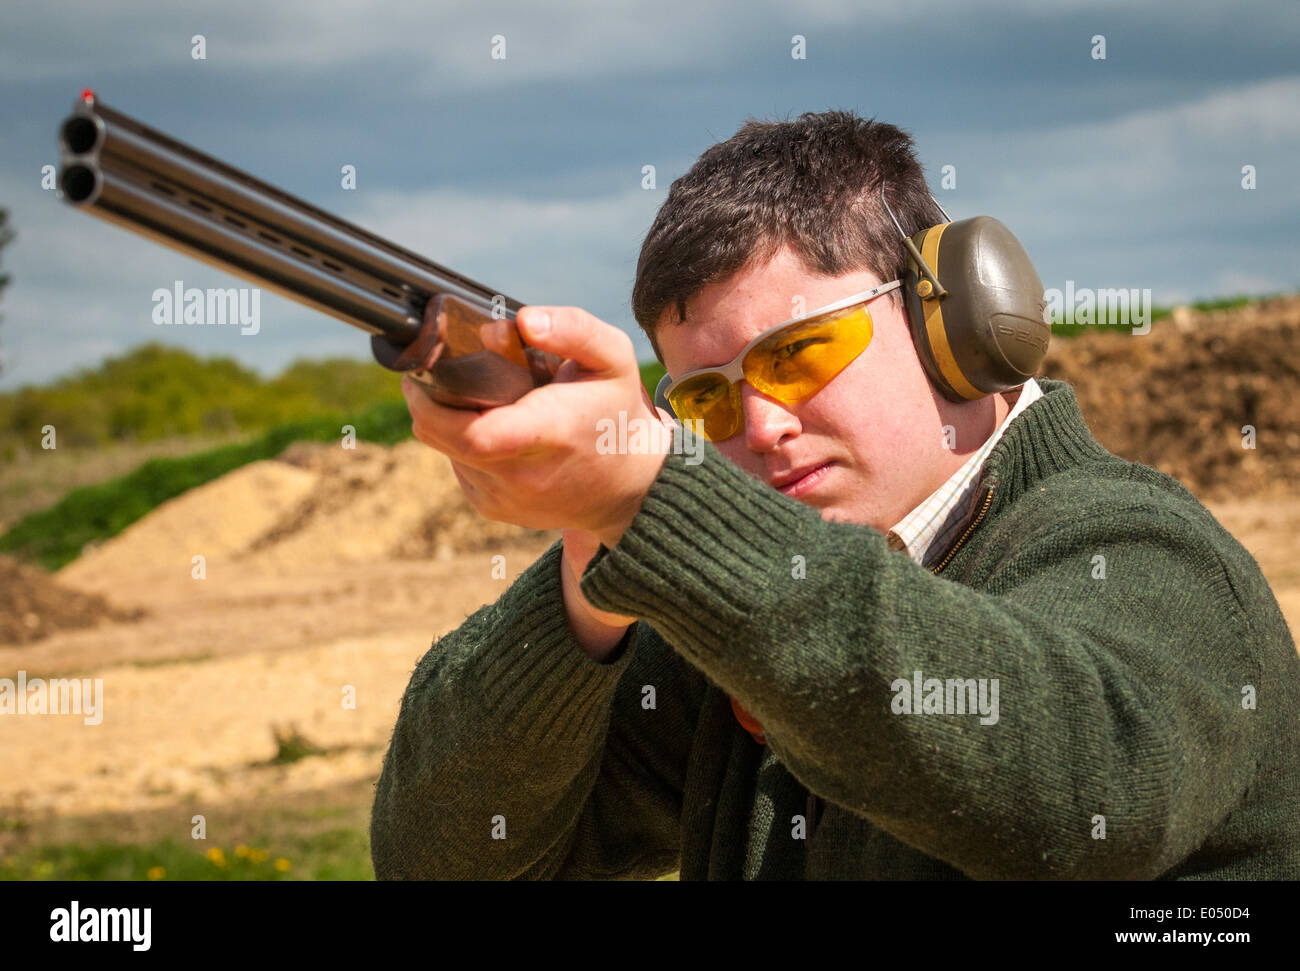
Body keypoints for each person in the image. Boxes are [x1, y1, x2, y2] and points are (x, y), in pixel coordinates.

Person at [370, 110, 1300, 880]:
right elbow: (443, 858)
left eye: (799, 354)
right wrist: (590, 562)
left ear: (955, 320)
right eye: (706, 398)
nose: (760, 426)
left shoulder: (1144, 553)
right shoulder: (742, 619)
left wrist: (648, 493)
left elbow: (1084, 796)